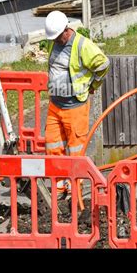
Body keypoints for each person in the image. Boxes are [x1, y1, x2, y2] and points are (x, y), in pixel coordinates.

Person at [44, 10, 109, 161]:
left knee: (75, 153)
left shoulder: (82, 45)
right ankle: (59, 185)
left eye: (58, 37)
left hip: (74, 108)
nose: (55, 40)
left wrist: (94, 85)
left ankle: (75, 184)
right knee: (52, 148)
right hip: (55, 105)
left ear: (66, 30)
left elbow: (103, 64)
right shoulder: (53, 43)